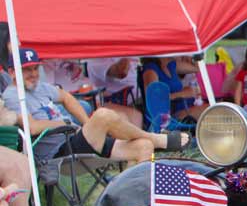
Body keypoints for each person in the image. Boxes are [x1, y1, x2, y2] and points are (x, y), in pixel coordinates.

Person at [3, 48, 190, 166]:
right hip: (57, 150)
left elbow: (67, 98)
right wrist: (60, 124)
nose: (33, 74)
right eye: (27, 69)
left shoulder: (41, 87)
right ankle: (158, 139)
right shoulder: (12, 95)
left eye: (35, 68)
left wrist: (85, 124)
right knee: (103, 115)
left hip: (75, 138)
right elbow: (32, 127)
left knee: (143, 147)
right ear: (12, 72)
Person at [141, 56, 205, 121]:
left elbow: (198, 68)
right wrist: (182, 94)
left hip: (185, 107)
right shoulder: (151, 69)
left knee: (212, 108)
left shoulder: (171, 65)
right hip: (169, 116)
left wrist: (192, 57)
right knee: (210, 110)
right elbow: (153, 100)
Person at [86, 57, 142, 127]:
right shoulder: (95, 60)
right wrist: (127, 49)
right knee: (136, 117)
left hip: (137, 98)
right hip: (113, 103)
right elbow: (122, 72)